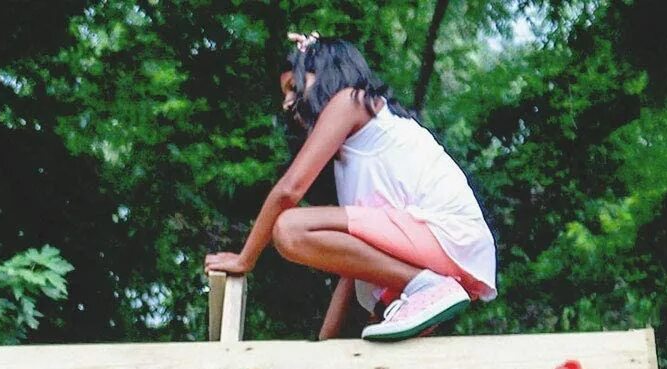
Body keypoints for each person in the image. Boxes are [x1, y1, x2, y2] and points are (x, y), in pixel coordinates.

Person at [206, 31, 497, 342]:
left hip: (449, 237)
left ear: (326, 74)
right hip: (440, 253)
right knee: (371, 341)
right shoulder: (354, 157)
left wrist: (245, 259)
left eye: (293, 88)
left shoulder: (351, 101)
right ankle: (423, 289)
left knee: (289, 228)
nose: (287, 103)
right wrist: (324, 342)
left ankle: (427, 287)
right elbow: (354, 262)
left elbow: (289, 190)